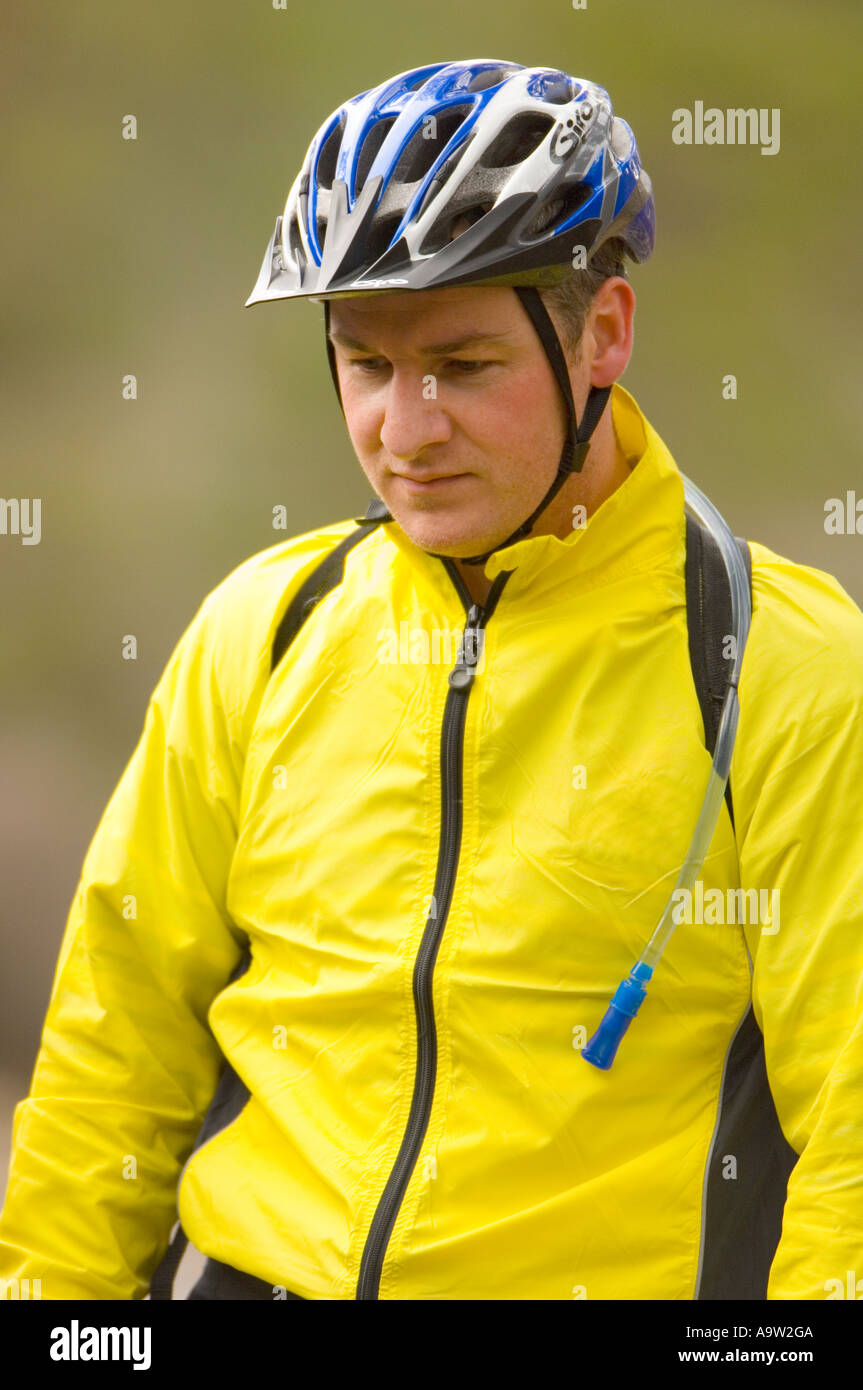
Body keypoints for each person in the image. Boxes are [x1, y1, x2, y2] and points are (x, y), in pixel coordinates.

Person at [1, 57, 862, 1303]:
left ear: (602, 334)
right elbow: (112, 1057)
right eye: (364, 367)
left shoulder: (781, 671)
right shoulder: (265, 630)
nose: (405, 431)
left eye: (461, 369)